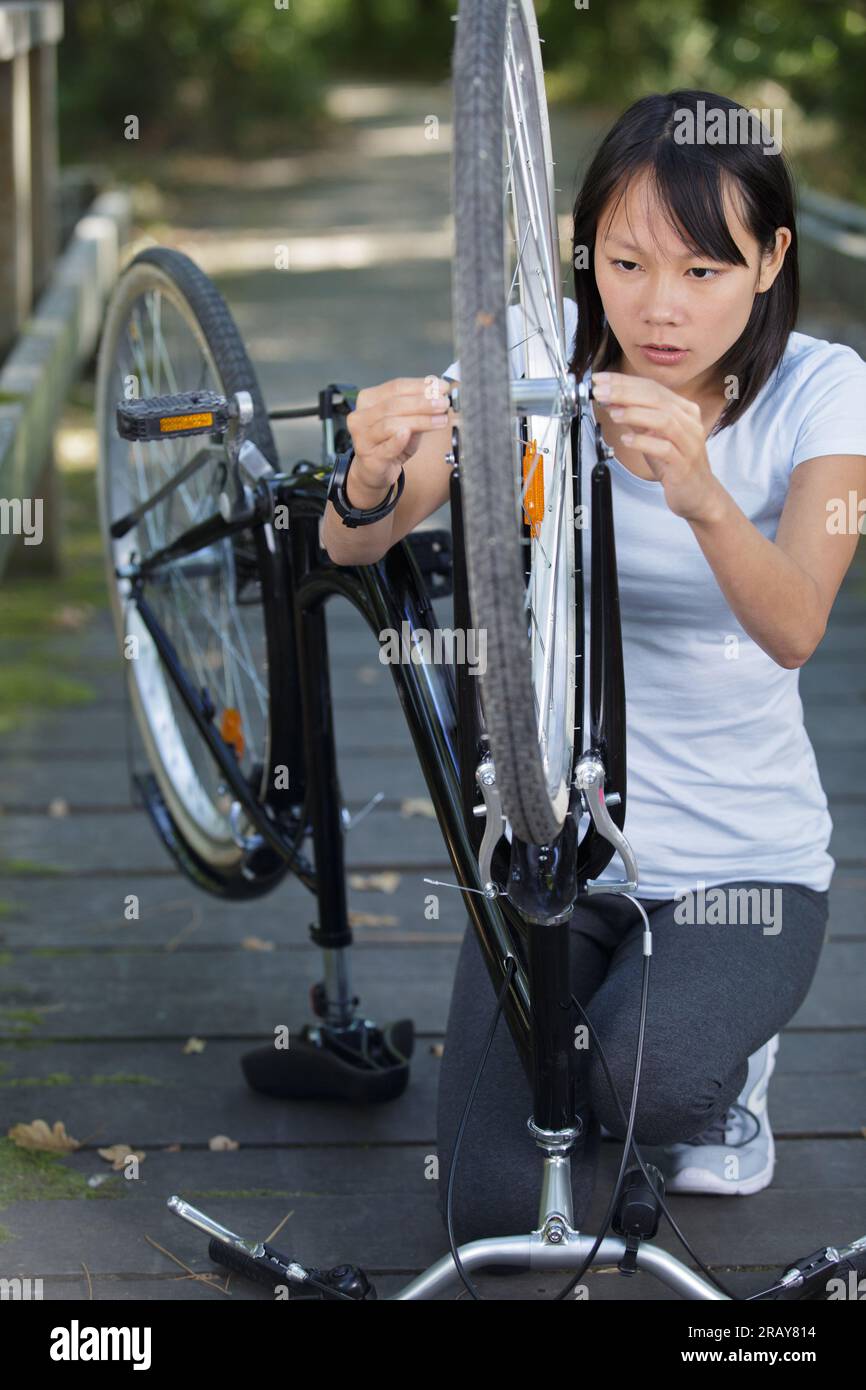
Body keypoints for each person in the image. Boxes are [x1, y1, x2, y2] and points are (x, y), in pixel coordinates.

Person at [321, 89, 866, 1243]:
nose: (657, 308)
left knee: (637, 1086)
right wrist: (368, 470)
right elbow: (355, 537)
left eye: (702, 272)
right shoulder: (532, 356)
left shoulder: (823, 390)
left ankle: (719, 1079)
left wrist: (699, 491)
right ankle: (644, 1055)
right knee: (487, 1208)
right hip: (558, 852)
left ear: (770, 260)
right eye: (623, 262)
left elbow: (795, 626)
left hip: (744, 871)